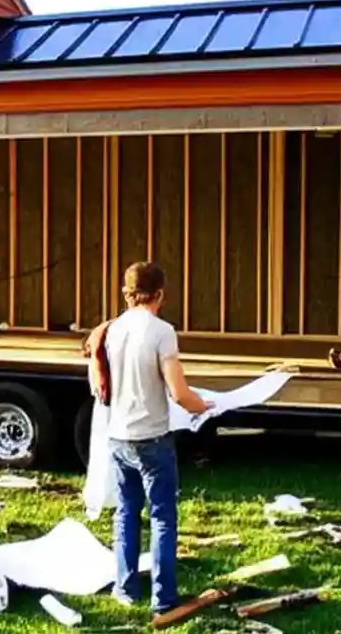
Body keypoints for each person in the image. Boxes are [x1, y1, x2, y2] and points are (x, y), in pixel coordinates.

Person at [102, 261, 212, 615]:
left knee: (126, 513)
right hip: (152, 438)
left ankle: (126, 588)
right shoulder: (162, 331)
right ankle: (163, 599)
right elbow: (179, 392)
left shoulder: (112, 329)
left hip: (118, 436)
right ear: (160, 294)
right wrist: (205, 406)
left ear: (126, 293)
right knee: (163, 517)